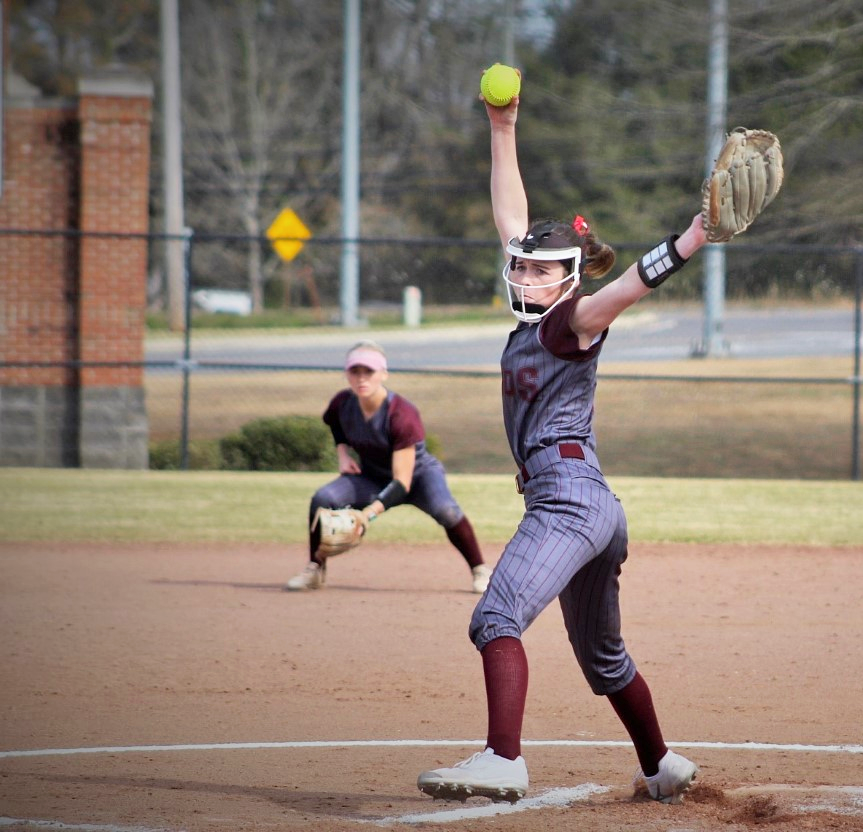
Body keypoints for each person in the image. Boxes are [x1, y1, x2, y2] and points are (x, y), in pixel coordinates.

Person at [415, 83, 709, 806]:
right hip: (594, 507)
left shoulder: (568, 319)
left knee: (496, 618)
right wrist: (503, 128)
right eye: (520, 266)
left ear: (570, 279)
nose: (523, 273)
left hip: (568, 504)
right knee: (604, 658)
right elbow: (511, 218)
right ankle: (660, 765)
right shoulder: (532, 321)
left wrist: (691, 241)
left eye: (540, 269)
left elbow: (624, 291)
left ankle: (503, 759)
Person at [285, 340, 491, 594]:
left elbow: (402, 482)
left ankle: (480, 569)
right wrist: (342, 454)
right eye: (355, 371)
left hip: (418, 477)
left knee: (446, 511)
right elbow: (335, 424)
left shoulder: (401, 414)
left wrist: (366, 515)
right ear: (347, 374)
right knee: (323, 499)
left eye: (368, 371)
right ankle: (315, 569)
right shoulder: (342, 403)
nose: (362, 378)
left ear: (383, 373)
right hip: (371, 476)